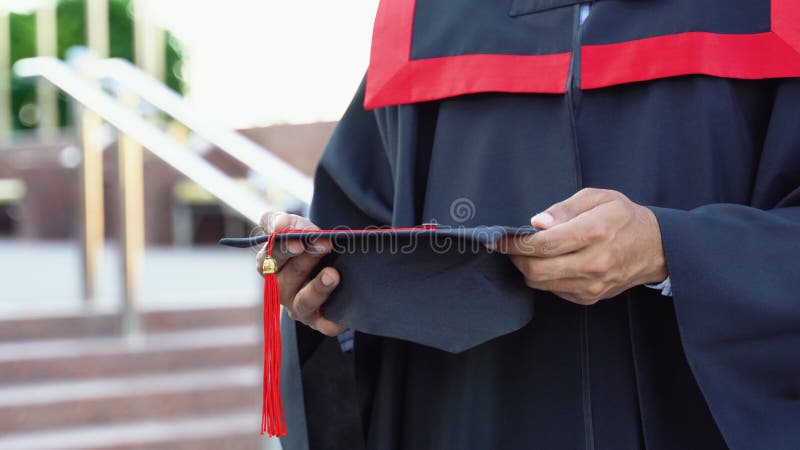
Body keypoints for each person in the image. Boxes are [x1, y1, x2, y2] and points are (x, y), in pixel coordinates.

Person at [257, 1, 800, 449]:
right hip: (468, 419)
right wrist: (321, 283)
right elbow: (348, 233)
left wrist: (672, 250)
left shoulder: (772, 13)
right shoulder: (425, 21)